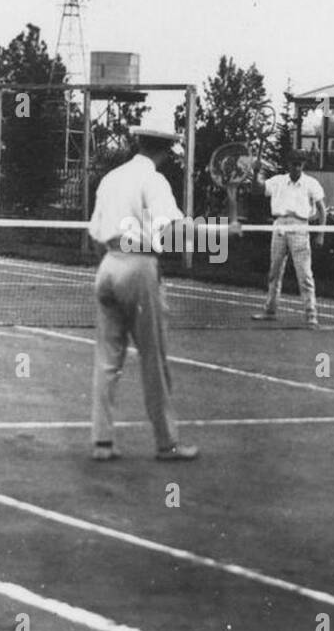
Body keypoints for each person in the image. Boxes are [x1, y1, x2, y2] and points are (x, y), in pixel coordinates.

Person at [87, 126, 235, 462]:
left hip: (108, 265)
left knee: (107, 360)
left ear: (139, 144)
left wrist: (113, 264)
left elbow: (97, 234)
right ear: (167, 151)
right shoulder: (154, 180)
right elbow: (172, 230)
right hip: (138, 267)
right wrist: (222, 233)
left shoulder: (111, 178)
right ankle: (167, 443)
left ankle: (102, 443)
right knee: (154, 359)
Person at [252, 149, 327, 328]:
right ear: (288, 165)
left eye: (299, 164)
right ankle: (270, 310)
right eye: (293, 163)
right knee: (274, 272)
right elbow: (257, 189)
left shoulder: (311, 183)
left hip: (300, 226)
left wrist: (321, 234)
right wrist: (255, 172)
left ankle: (311, 315)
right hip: (279, 225)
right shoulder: (278, 181)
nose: (296, 167)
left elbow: (322, 210)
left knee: (305, 274)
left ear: (303, 165)